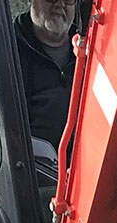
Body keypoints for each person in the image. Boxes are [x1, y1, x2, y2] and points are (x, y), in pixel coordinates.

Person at [16, 0, 78, 187]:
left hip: (86, 172)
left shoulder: (92, 49)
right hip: (32, 178)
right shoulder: (5, 48)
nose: (60, 4)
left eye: (69, 0)